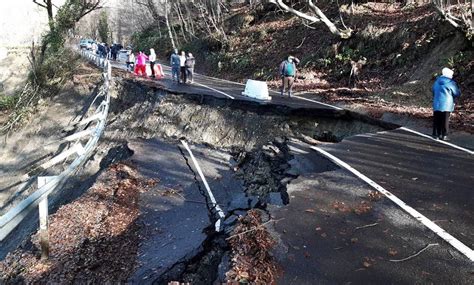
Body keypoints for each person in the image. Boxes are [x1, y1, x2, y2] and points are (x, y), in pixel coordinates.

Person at [432, 67, 461, 141]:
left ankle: (436, 134)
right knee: (445, 119)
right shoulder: (451, 83)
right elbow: (456, 93)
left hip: (437, 102)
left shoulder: (436, 81)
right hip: (447, 104)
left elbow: (433, 90)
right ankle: (444, 135)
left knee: (437, 118)